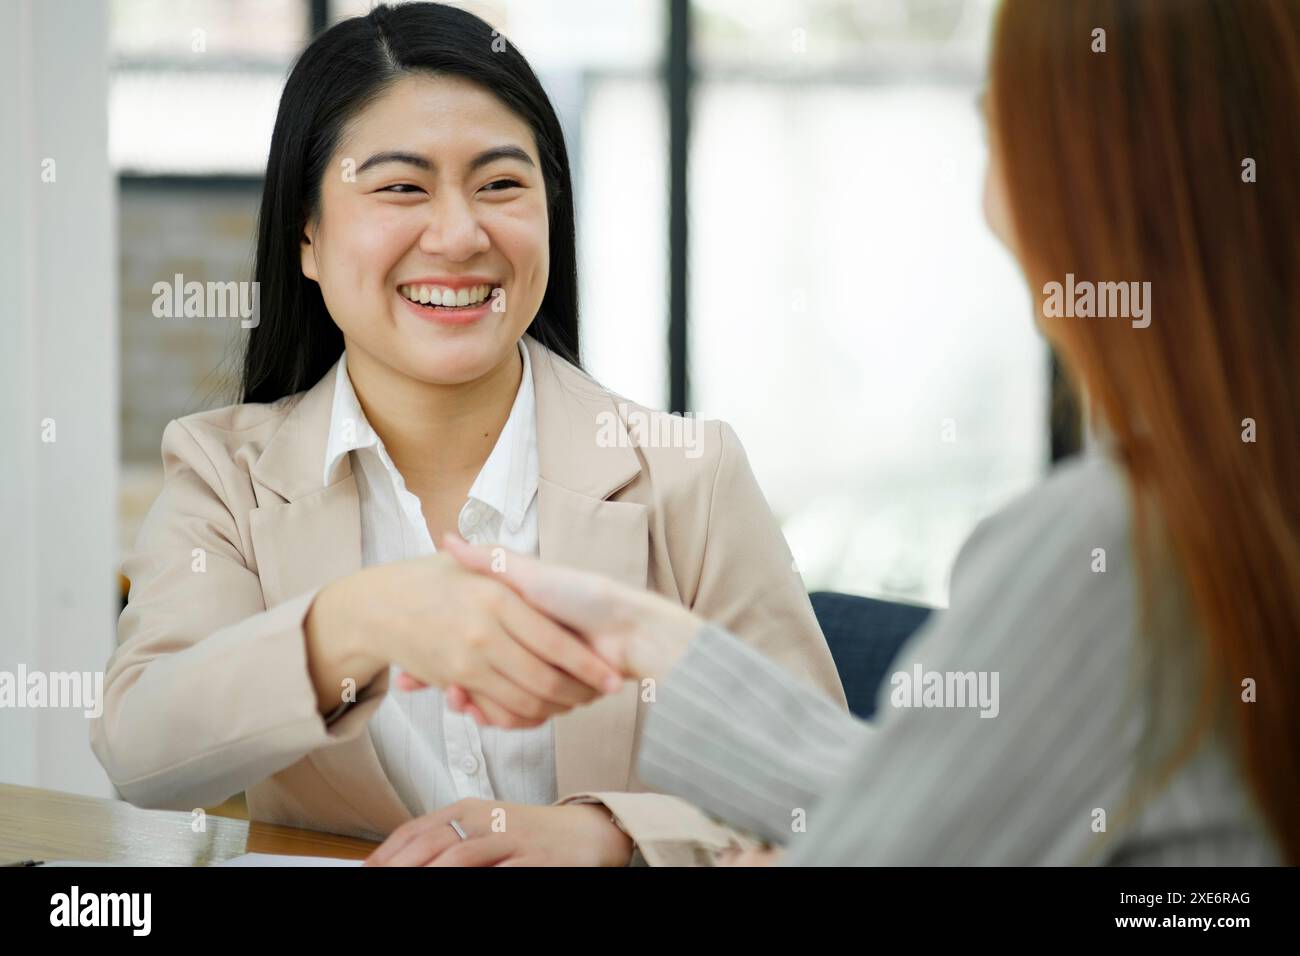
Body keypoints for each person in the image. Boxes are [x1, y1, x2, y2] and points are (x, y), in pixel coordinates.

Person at [396, 0, 1300, 866]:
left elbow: (901, 840)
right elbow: (941, 804)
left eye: (1000, 135)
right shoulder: (1231, 498)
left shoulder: (1107, 548)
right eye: (400, 186)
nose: (456, 233)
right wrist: (646, 639)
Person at [92, 2, 844, 867]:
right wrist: (355, 621)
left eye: (500, 185)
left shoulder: (689, 476)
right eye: (400, 187)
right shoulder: (229, 474)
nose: (458, 235)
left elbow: (829, 809)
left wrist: (615, 838)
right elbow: (142, 752)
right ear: (307, 232)